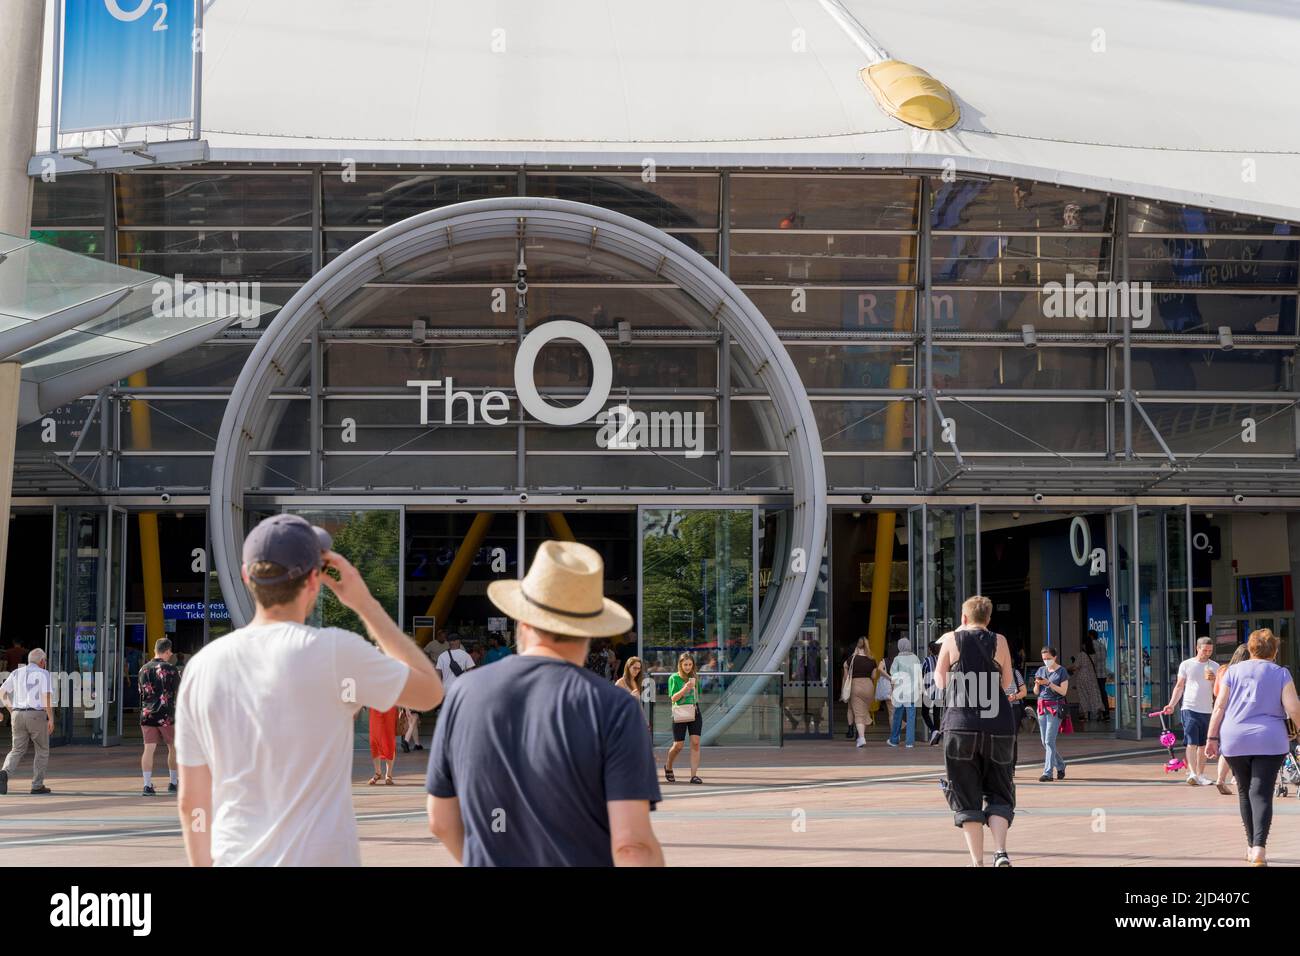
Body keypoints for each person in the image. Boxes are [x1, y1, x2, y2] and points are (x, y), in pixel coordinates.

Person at [174, 514, 442, 866]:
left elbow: (192, 800)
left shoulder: (201, 668)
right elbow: (429, 692)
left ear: (245, 577)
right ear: (314, 581)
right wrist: (365, 605)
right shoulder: (335, 653)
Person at [426, 540, 663, 866]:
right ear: (591, 631)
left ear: (524, 623)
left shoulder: (464, 694)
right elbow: (632, 847)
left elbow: (440, 818)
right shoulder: (615, 708)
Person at [934, 596, 1018, 867]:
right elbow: (1007, 683)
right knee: (1000, 792)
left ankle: (977, 862)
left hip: (961, 726)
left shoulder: (950, 641)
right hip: (998, 727)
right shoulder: (1000, 641)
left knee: (966, 795)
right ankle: (1001, 852)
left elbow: (940, 681)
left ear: (964, 618)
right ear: (989, 619)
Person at [1205, 628, 1300, 867]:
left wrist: (1211, 738)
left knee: (1245, 792)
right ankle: (1259, 848)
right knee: (1262, 793)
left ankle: (1250, 846)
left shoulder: (1232, 671)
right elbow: (1293, 709)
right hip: (1270, 739)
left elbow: (1219, 707)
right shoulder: (1281, 673)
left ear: (1250, 648)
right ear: (1274, 651)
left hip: (1235, 739)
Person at [1163, 636, 1220, 786]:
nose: (1207, 653)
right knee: (1191, 743)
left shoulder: (1215, 666)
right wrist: (1171, 704)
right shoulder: (1187, 665)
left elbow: (1218, 691)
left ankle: (1200, 774)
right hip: (1189, 708)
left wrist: (1214, 679)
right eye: (1205, 650)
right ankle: (1193, 773)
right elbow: (1179, 686)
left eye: (1210, 650)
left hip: (1207, 710)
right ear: (1197, 648)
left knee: (1203, 745)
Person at [0, 647, 54, 795]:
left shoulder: (16, 673)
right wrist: (51, 718)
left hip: (17, 714)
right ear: (42, 661)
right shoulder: (43, 674)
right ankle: (37, 785)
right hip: (36, 714)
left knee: (17, 749)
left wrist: (11, 709)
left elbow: (2, 692)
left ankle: (4, 772)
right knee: (42, 750)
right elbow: (46, 698)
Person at [138, 638, 181, 796]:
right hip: (166, 715)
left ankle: (147, 785)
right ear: (167, 651)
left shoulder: (143, 669)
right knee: (173, 747)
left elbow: (141, 692)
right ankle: (173, 782)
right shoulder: (171, 669)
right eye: (170, 652)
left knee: (148, 749)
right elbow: (179, 691)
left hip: (147, 715)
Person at [1211, 643, 1252, 795]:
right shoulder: (1246, 672)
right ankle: (1239, 778)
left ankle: (1220, 779)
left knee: (1226, 749)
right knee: (1245, 747)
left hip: (1224, 714)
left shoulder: (1223, 670)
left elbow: (1216, 693)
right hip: (1241, 713)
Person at [665, 653, 704, 784]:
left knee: (695, 742)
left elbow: (698, 694)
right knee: (678, 745)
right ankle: (668, 766)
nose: (688, 667)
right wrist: (685, 688)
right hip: (680, 711)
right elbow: (673, 698)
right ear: (680, 665)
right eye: (685, 664)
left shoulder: (694, 677)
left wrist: (692, 689)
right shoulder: (674, 678)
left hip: (694, 710)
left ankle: (694, 776)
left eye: (690, 664)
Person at [1034, 646, 1070, 782]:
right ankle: (1060, 765)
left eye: (1048, 658)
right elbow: (1036, 692)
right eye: (1044, 659)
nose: (1046, 661)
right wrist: (1037, 684)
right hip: (1041, 706)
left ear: (1054, 657)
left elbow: (1063, 692)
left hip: (1055, 706)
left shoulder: (1062, 672)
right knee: (1045, 742)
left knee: (1049, 740)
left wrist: (1049, 683)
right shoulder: (1041, 670)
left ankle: (1047, 773)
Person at [887, 638, 922, 748]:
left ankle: (894, 740)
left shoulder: (897, 659)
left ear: (899, 646)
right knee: (911, 717)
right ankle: (909, 742)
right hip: (912, 692)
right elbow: (919, 675)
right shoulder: (915, 658)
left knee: (898, 716)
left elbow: (893, 675)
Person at [843, 638, 877, 748]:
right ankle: (861, 736)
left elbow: (846, 673)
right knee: (864, 712)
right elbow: (873, 676)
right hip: (869, 686)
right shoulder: (872, 660)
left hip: (855, 685)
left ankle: (861, 738)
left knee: (858, 713)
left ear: (857, 646)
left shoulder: (851, 659)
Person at [1069, 633, 1105, 722]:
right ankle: (1098, 712)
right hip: (1092, 677)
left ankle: (1084, 715)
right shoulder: (1094, 655)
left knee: (1083, 695)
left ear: (1084, 644)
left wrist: (1068, 667)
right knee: (1094, 695)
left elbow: (1076, 666)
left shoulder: (1081, 655)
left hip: (1082, 677)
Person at [920, 640, 943, 746]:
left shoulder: (926, 660)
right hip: (940, 690)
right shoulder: (942, 660)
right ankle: (936, 740)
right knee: (937, 714)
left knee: (924, 713)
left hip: (928, 690)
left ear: (930, 650)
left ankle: (934, 730)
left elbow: (922, 674)